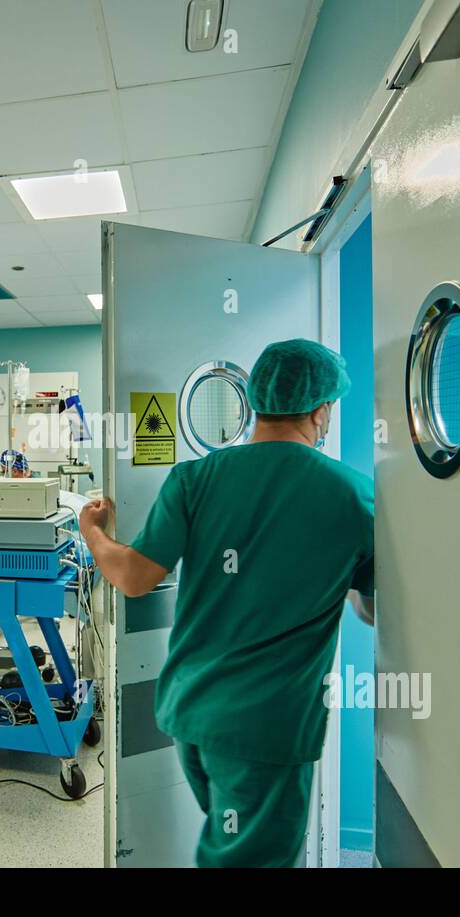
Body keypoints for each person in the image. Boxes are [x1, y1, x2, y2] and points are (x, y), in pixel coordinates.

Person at [78, 339, 375, 868]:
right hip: (266, 730)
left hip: (192, 714)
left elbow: (134, 577)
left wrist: (93, 532)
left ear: (255, 401)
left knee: (230, 839)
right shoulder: (352, 495)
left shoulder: (195, 478)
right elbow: (373, 609)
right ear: (320, 409)